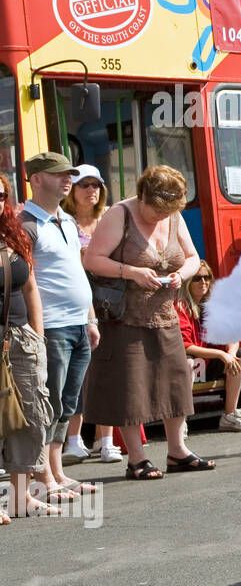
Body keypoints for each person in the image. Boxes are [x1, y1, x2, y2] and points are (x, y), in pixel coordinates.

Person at [81, 165, 207, 481]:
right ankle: (136, 458)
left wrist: (183, 274)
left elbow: (192, 257)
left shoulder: (173, 216)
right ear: (143, 196)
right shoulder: (119, 214)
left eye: (168, 212)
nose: (160, 217)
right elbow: (92, 259)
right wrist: (132, 272)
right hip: (126, 317)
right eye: (156, 211)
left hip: (165, 314)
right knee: (131, 387)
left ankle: (178, 451)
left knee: (176, 382)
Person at [20, 153, 99, 504]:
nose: (67, 179)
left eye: (69, 173)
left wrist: (91, 317)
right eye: (58, 175)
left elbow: (78, 274)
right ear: (36, 180)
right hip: (51, 327)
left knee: (67, 402)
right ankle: (42, 476)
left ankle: (56, 470)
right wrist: (36, 331)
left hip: (78, 324)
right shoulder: (26, 224)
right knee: (47, 401)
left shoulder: (67, 221)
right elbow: (27, 282)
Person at [0, 174, 56, 518]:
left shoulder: (13, 234)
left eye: (0, 194)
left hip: (21, 339)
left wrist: (38, 335)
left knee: (31, 414)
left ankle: (21, 496)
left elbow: (30, 288)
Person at [59, 164, 114, 462]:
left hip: (108, 302)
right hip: (78, 303)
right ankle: (74, 439)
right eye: (85, 185)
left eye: (96, 185)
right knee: (77, 374)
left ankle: (105, 440)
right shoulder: (63, 222)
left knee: (104, 371)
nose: (92, 190)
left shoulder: (108, 219)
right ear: (73, 191)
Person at [176, 261, 241, 430]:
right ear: (187, 281)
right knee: (188, 361)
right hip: (187, 363)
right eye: (197, 278)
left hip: (206, 363)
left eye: (207, 277)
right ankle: (181, 423)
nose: (203, 282)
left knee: (240, 356)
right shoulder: (181, 306)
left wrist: (230, 354)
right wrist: (220, 355)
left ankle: (229, 416)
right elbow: (185, 346)